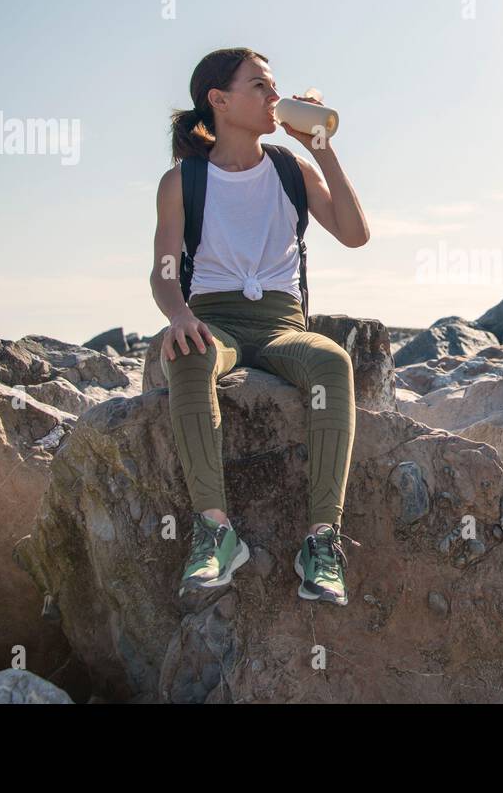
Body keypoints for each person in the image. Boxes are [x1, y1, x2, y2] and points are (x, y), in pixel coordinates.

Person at [149, 47, 369, 606]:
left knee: (331, 360)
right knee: (189, 353)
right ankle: (216, 533)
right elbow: (165, 270)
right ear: (219, 101)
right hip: (213, 319)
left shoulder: (290, 169)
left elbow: (354, 233)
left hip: (280, 325)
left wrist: (324, 150)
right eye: (260, 87)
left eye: (275, 87)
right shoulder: (182, 181)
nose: (276, 97)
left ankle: (321, 542)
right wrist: (179, 317)